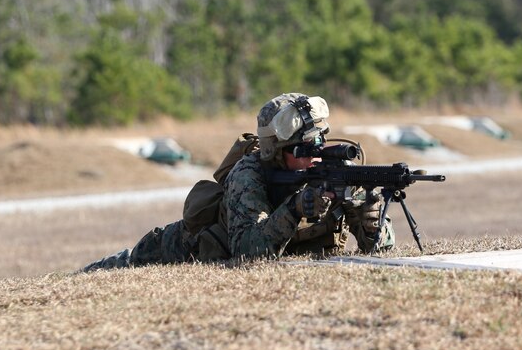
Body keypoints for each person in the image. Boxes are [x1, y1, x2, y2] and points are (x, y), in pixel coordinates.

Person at [81, 93, 394, 271]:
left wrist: (369, 220)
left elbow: (382, 250)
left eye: (320, 142)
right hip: (183, 248)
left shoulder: (333, 172)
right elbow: (247, 254)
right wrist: (294, 208)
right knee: (120, 265)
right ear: (276, 153)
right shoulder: (249, 174)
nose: (316, 155)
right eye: (303, 149)